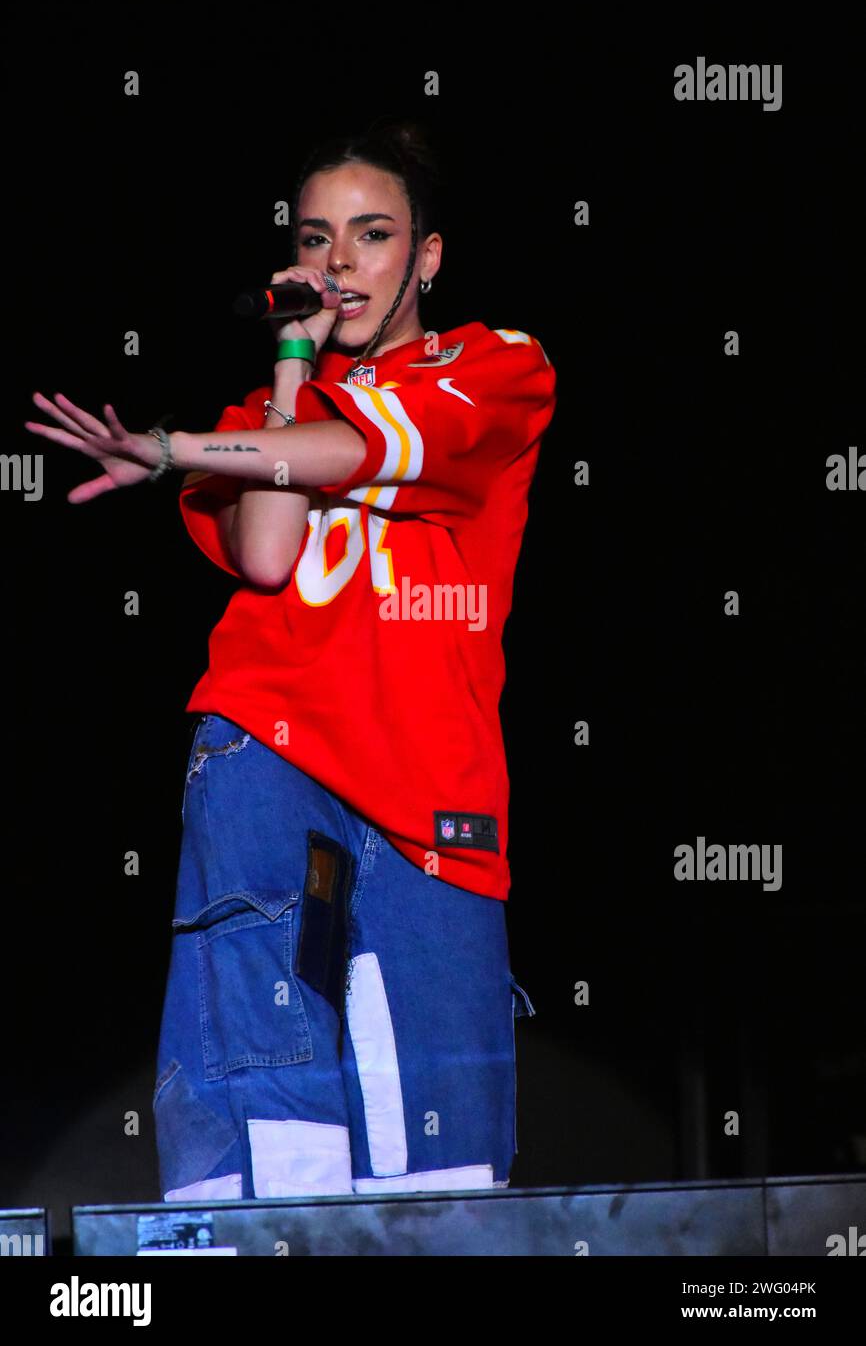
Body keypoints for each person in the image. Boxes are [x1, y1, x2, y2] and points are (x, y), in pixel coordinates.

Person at [28, 118, 557, 1202]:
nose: (340, 263)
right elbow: (265, 553)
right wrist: (286, 363)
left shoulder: (493, 365)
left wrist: (171, 447)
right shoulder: (260, 415)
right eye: (317, 238)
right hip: (266, 751)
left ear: (428, 254)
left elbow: (363, 450)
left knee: (441, 1173)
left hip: (431, 785)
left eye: (371, 235)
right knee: (270, 1151)